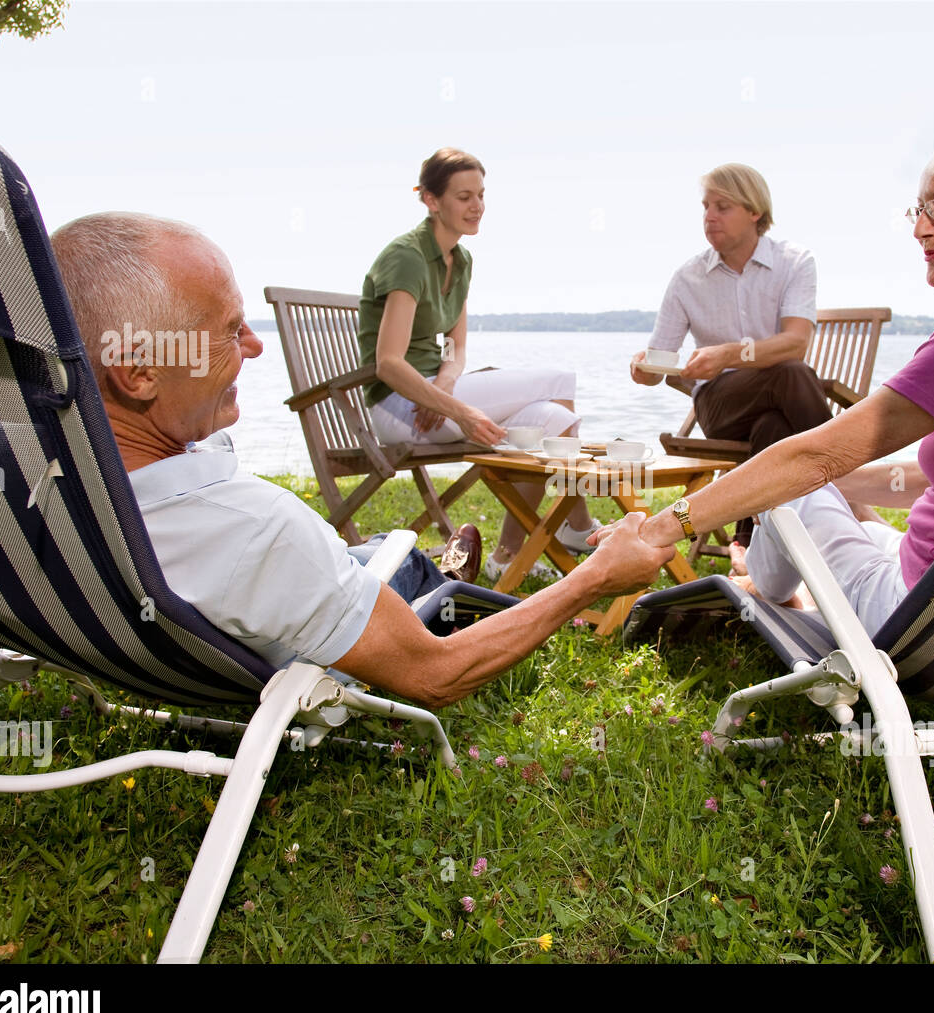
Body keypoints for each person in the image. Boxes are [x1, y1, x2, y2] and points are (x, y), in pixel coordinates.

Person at [51, 212, 674, 710]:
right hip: (317, 624)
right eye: (228, 330)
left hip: (209, 605)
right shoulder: (257, 529)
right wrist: (593, 578)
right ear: (137, 372)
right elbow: (435, 674)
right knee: (414, 576)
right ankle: (437, 571)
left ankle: (411, 553)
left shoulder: (6, 478)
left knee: (378, 549)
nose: (254, 345)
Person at [602, 125, 934, 637]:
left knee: (787, 471)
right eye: (919, 210)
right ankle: (779, 559)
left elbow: (805, 458)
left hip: (924, 613)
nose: (921, 229)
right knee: (797, 465)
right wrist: (828, 481)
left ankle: (763, 586)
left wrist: (662, 525)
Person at [358, 148, 598, 581]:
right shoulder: (408, 257)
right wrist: (460, 411)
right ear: (431, 200)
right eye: (464, 196)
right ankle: (576, 525)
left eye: (481, 195)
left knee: (554, 419)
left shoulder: (461, 260)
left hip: (432, 400)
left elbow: (456, 349)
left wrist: (446, 390)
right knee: (560, 378)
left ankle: (507, 556)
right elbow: (389, 363)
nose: (477, 206)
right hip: (396, 408)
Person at [629, 163, 828, 545]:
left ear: (754, 211)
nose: (709, 217)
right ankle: (847, 484)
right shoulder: (688, 277)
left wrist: (727, 354)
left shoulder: (794, 261)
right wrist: (643, 369)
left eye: (722, 207)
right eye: (706, 206)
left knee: (773, 428)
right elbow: (660, 362)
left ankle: (749, 549)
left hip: (779, 402)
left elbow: (796, 342)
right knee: (790, 374)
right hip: (720, 406)